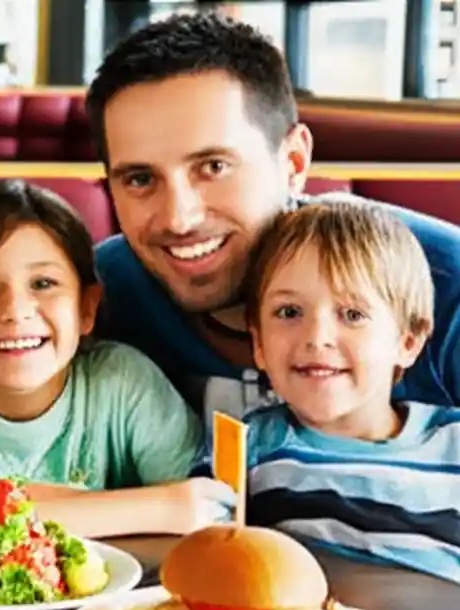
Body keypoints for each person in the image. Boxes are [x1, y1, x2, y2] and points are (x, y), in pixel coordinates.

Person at [86, 12, 460, 422]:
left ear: (294, 162)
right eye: (140, 179)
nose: (179, 218)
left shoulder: (444, 288)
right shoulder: (99, 293)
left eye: (213, 167)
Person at [0, 179, 232, 538]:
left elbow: (204, 521)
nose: (15, 311)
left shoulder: (124, 379)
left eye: (43, 283)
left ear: (85, 308)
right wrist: (150, 508)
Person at [214, 201, 460, 583]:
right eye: (290, 312)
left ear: (407, 341)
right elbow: (210, 556)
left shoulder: (453, 442)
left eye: (352, 315)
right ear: (258, 342)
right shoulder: (247, 449)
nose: (317, 338)